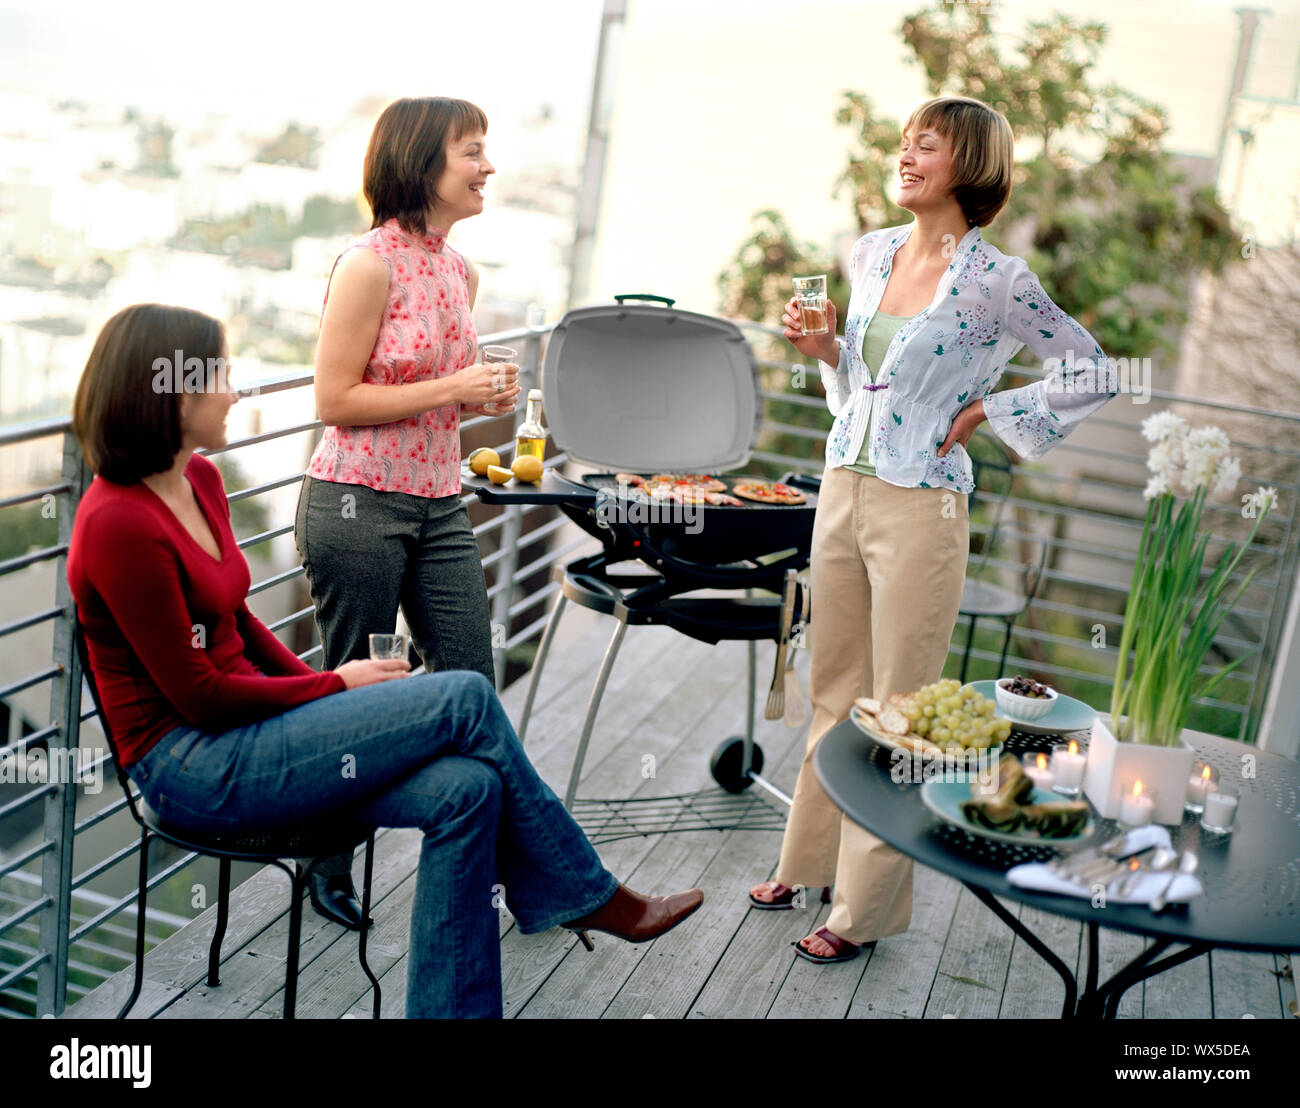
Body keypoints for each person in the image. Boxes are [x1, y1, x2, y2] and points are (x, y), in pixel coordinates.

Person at [67, 303, 702, 1018]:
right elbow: (200, 698)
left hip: (255, 737)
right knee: (463, 698)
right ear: (173, 394)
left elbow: (239, 622)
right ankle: (588, 896)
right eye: (221, 375)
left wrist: (322, 693)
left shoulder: (199, 481)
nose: (234, 391)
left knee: (469, 789)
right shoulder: (117, 522)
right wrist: (336, 685)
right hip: (195, 766)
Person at [749, 96, 1118, 962]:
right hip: (844, 486)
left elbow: (1093, 370)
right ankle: (803, 862)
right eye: (906, 140)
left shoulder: (1000, 280)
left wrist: (995, 406)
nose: (907, 154)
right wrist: (824, 351)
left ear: (972, 166)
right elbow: (860, 381)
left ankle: (862, 910)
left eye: (929, 144)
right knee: (832, 688)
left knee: (899, 709)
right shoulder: (871, 252)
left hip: (926, 506)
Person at [293, 97, 520, 929]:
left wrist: (482, 396)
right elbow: (334, 397)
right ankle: (328, 865)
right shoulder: (367, 263)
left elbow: (436, 405)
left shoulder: (460, 271)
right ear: (425, 162)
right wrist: (457, 387)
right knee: (355, 695)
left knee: (471, 681)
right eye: (473, 150)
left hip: (438, 504)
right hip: (357, 504)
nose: (488, 166)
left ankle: (491, 865)